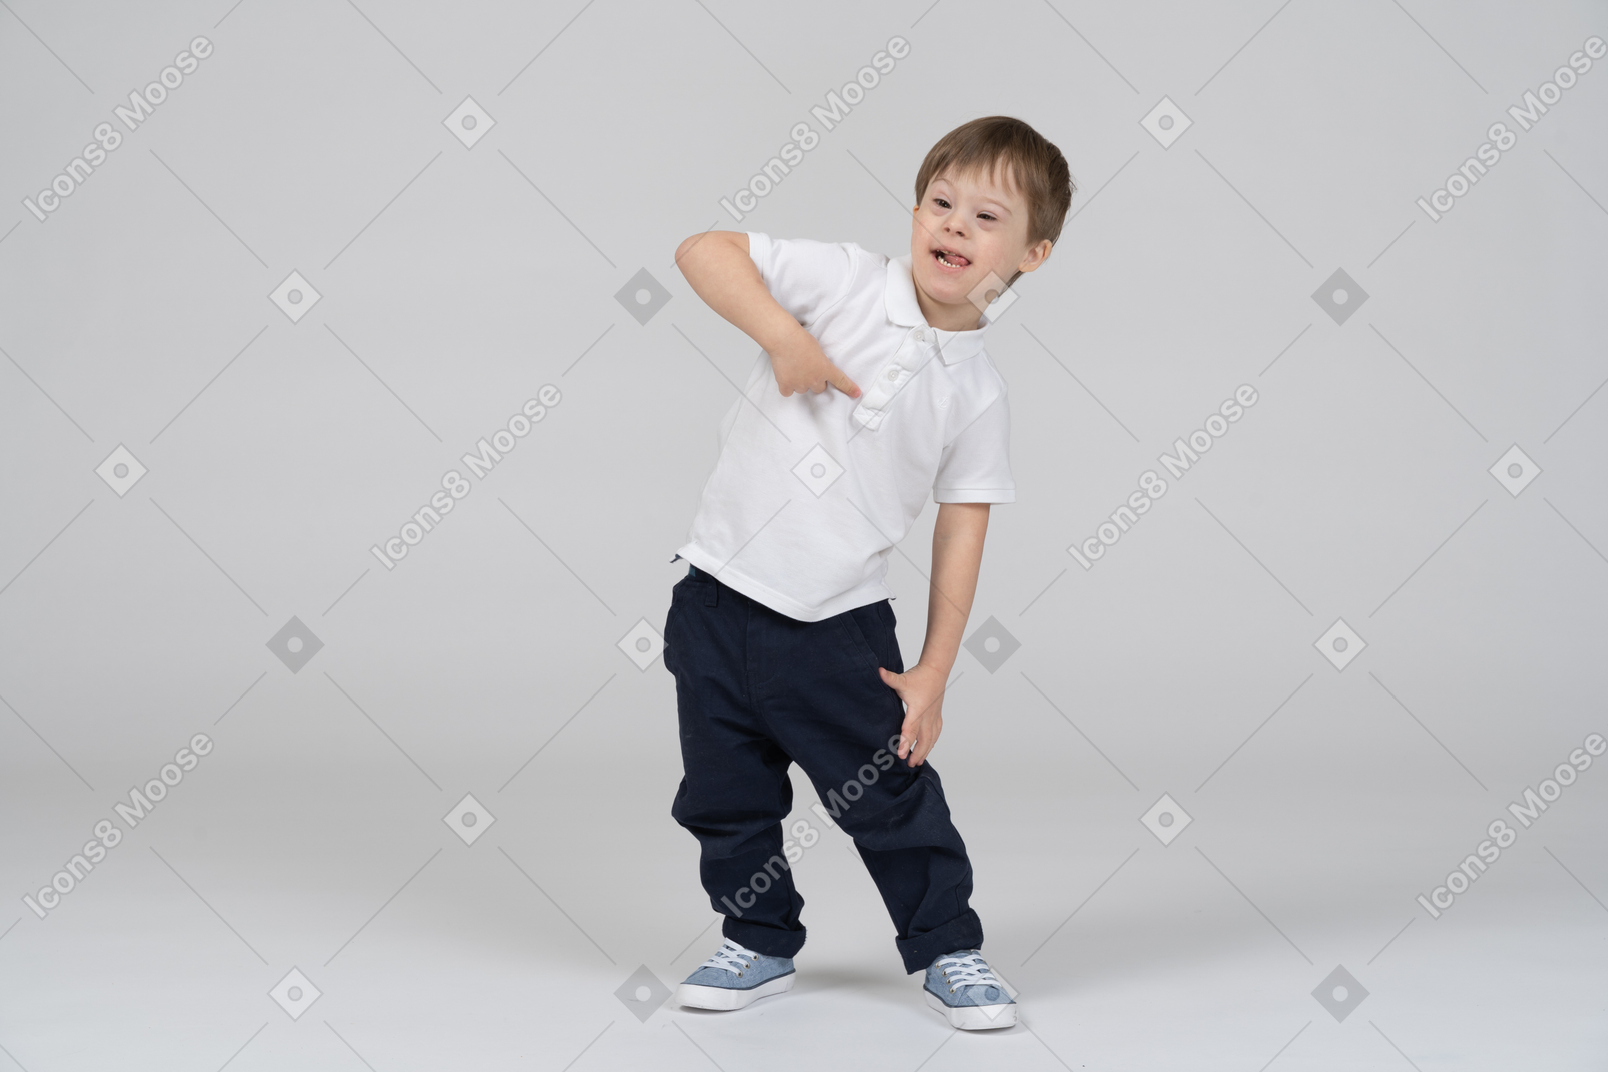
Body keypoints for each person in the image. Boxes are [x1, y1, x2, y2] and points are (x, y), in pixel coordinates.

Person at [663, 115, 1072, 1030]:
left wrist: (933, 671)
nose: (955, 227)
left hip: (837, 626)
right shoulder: (847, 280)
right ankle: (757, 939)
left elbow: (962, 535)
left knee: (889, 797)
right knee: (723, 796)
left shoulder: (978, 390)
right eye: (941, 203)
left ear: (1032, 254)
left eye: (987, 217)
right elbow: (704, 249)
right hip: (716, 598)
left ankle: (949, 949)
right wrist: (782, 335)